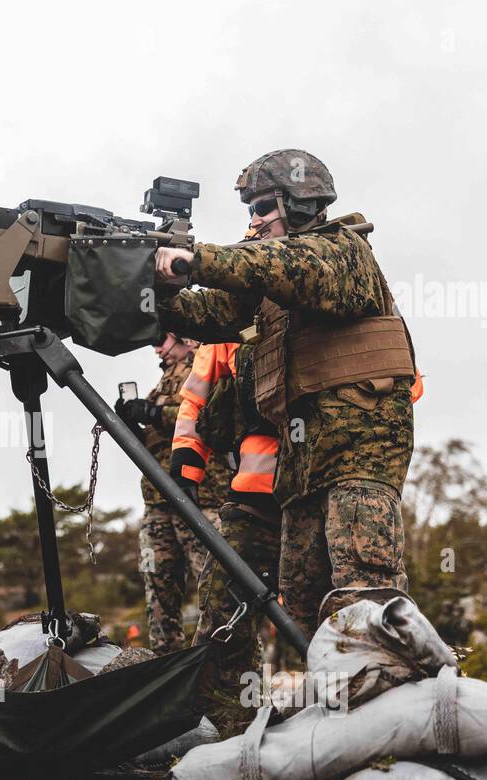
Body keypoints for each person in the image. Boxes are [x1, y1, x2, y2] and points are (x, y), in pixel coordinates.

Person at [154, 148, 421, 641]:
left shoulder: (342, 251)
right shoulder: (271, 277)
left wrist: (196, 259)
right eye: (250, 210)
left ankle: (386, 689)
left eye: (262, 208)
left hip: (358, 450)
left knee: (362, 595)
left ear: (299, 205)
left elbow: (284, 266)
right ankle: (318, 688)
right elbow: (211, 313)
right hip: (301, 462)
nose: (254, 221)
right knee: (302, 609)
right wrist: (150, 289)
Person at [170, 339, 280, 734]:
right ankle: (227, 726)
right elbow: (195, 399)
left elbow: (401, 381)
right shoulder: (231, 321)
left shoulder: (349, 307)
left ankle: (346, 724)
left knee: (325, 613)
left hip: (325, 496)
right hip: (253, 495)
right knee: (222, 608)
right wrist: (187, 462)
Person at [117, 333, 232, 654]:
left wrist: (153, 413)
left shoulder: (206, 366)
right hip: (158, 502)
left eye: (161, 339)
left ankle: (228, 663)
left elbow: (205, 416)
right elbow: (153, 443)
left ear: (186, 338)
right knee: (158, 592)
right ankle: (167, 663)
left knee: (215, 587)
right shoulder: (163, 382)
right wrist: (129, 422)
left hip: (200, 496)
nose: (157, 349)